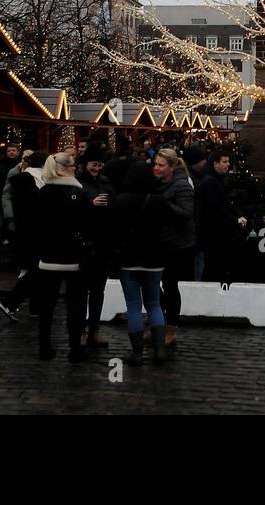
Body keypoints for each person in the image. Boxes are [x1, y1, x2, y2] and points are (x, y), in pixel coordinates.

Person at [111, 154, 168, 366]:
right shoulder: (159, 201)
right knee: (154, 304)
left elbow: (114, 230)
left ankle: (137, 353)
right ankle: (160, 350)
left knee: (134, 305)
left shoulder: (121, 200)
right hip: (154, 259)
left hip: (129, 258)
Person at [33, 153, 91, 362]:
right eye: (73, 166)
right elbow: (87, 224)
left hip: (48, 256)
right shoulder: (78, 193)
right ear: (66, 168)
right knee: (75, 305)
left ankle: (44, 347)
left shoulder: (42, 193)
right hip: (74, 256)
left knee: (46, 305)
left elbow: (36, 225)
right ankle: (75, 349)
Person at [154, 148, 195, 353]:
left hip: (176, 244)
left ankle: (171, 328)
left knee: (170, 286)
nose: (157, 168)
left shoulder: (182, 186)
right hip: (160, 241)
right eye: (156, 164)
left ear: (171, 167)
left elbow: (186, 213)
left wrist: (165, 205)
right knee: (155, 285)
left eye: (161, 165)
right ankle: (157, 324)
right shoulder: (159, 184)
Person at [0, 151, 47, 321]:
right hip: (37, 230)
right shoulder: (39, 181)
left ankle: (33, 306)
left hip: (22, 229)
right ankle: (12, 302)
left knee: (33, 267)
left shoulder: (20, 178)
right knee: (38, 269)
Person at [78, 145, 113, 349]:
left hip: (102, 242)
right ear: (85, 165)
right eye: (94, 165)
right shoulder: (79, 185)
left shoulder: (105, 183)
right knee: (83, 290)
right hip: (85, 242)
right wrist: (90, 206)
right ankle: (81, 330)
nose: (97, 168)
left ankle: (94, 329)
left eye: (99, 165)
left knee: (98, 290)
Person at [195, 147, 245, 283]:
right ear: (215, 163)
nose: (228, 164)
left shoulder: (214, 180)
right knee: (212, 269)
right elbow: (217, 208)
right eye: (225, 161)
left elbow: (223, 204)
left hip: (212, 234)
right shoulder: (210, 182)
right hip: (212, 235)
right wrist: (236, 220)